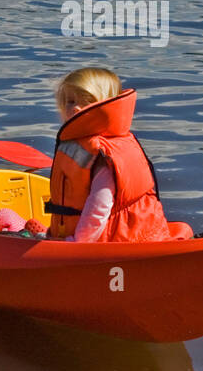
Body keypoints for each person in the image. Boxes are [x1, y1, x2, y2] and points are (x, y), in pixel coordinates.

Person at [44, 67, 182, 243]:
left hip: (118, 240)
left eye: (87, 102)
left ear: (106, 104)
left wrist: (77, 243)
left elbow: (99, 208)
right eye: (70, 102)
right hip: (98, 236)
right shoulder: (87, 143)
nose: (76, 108)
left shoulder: (103, 153)